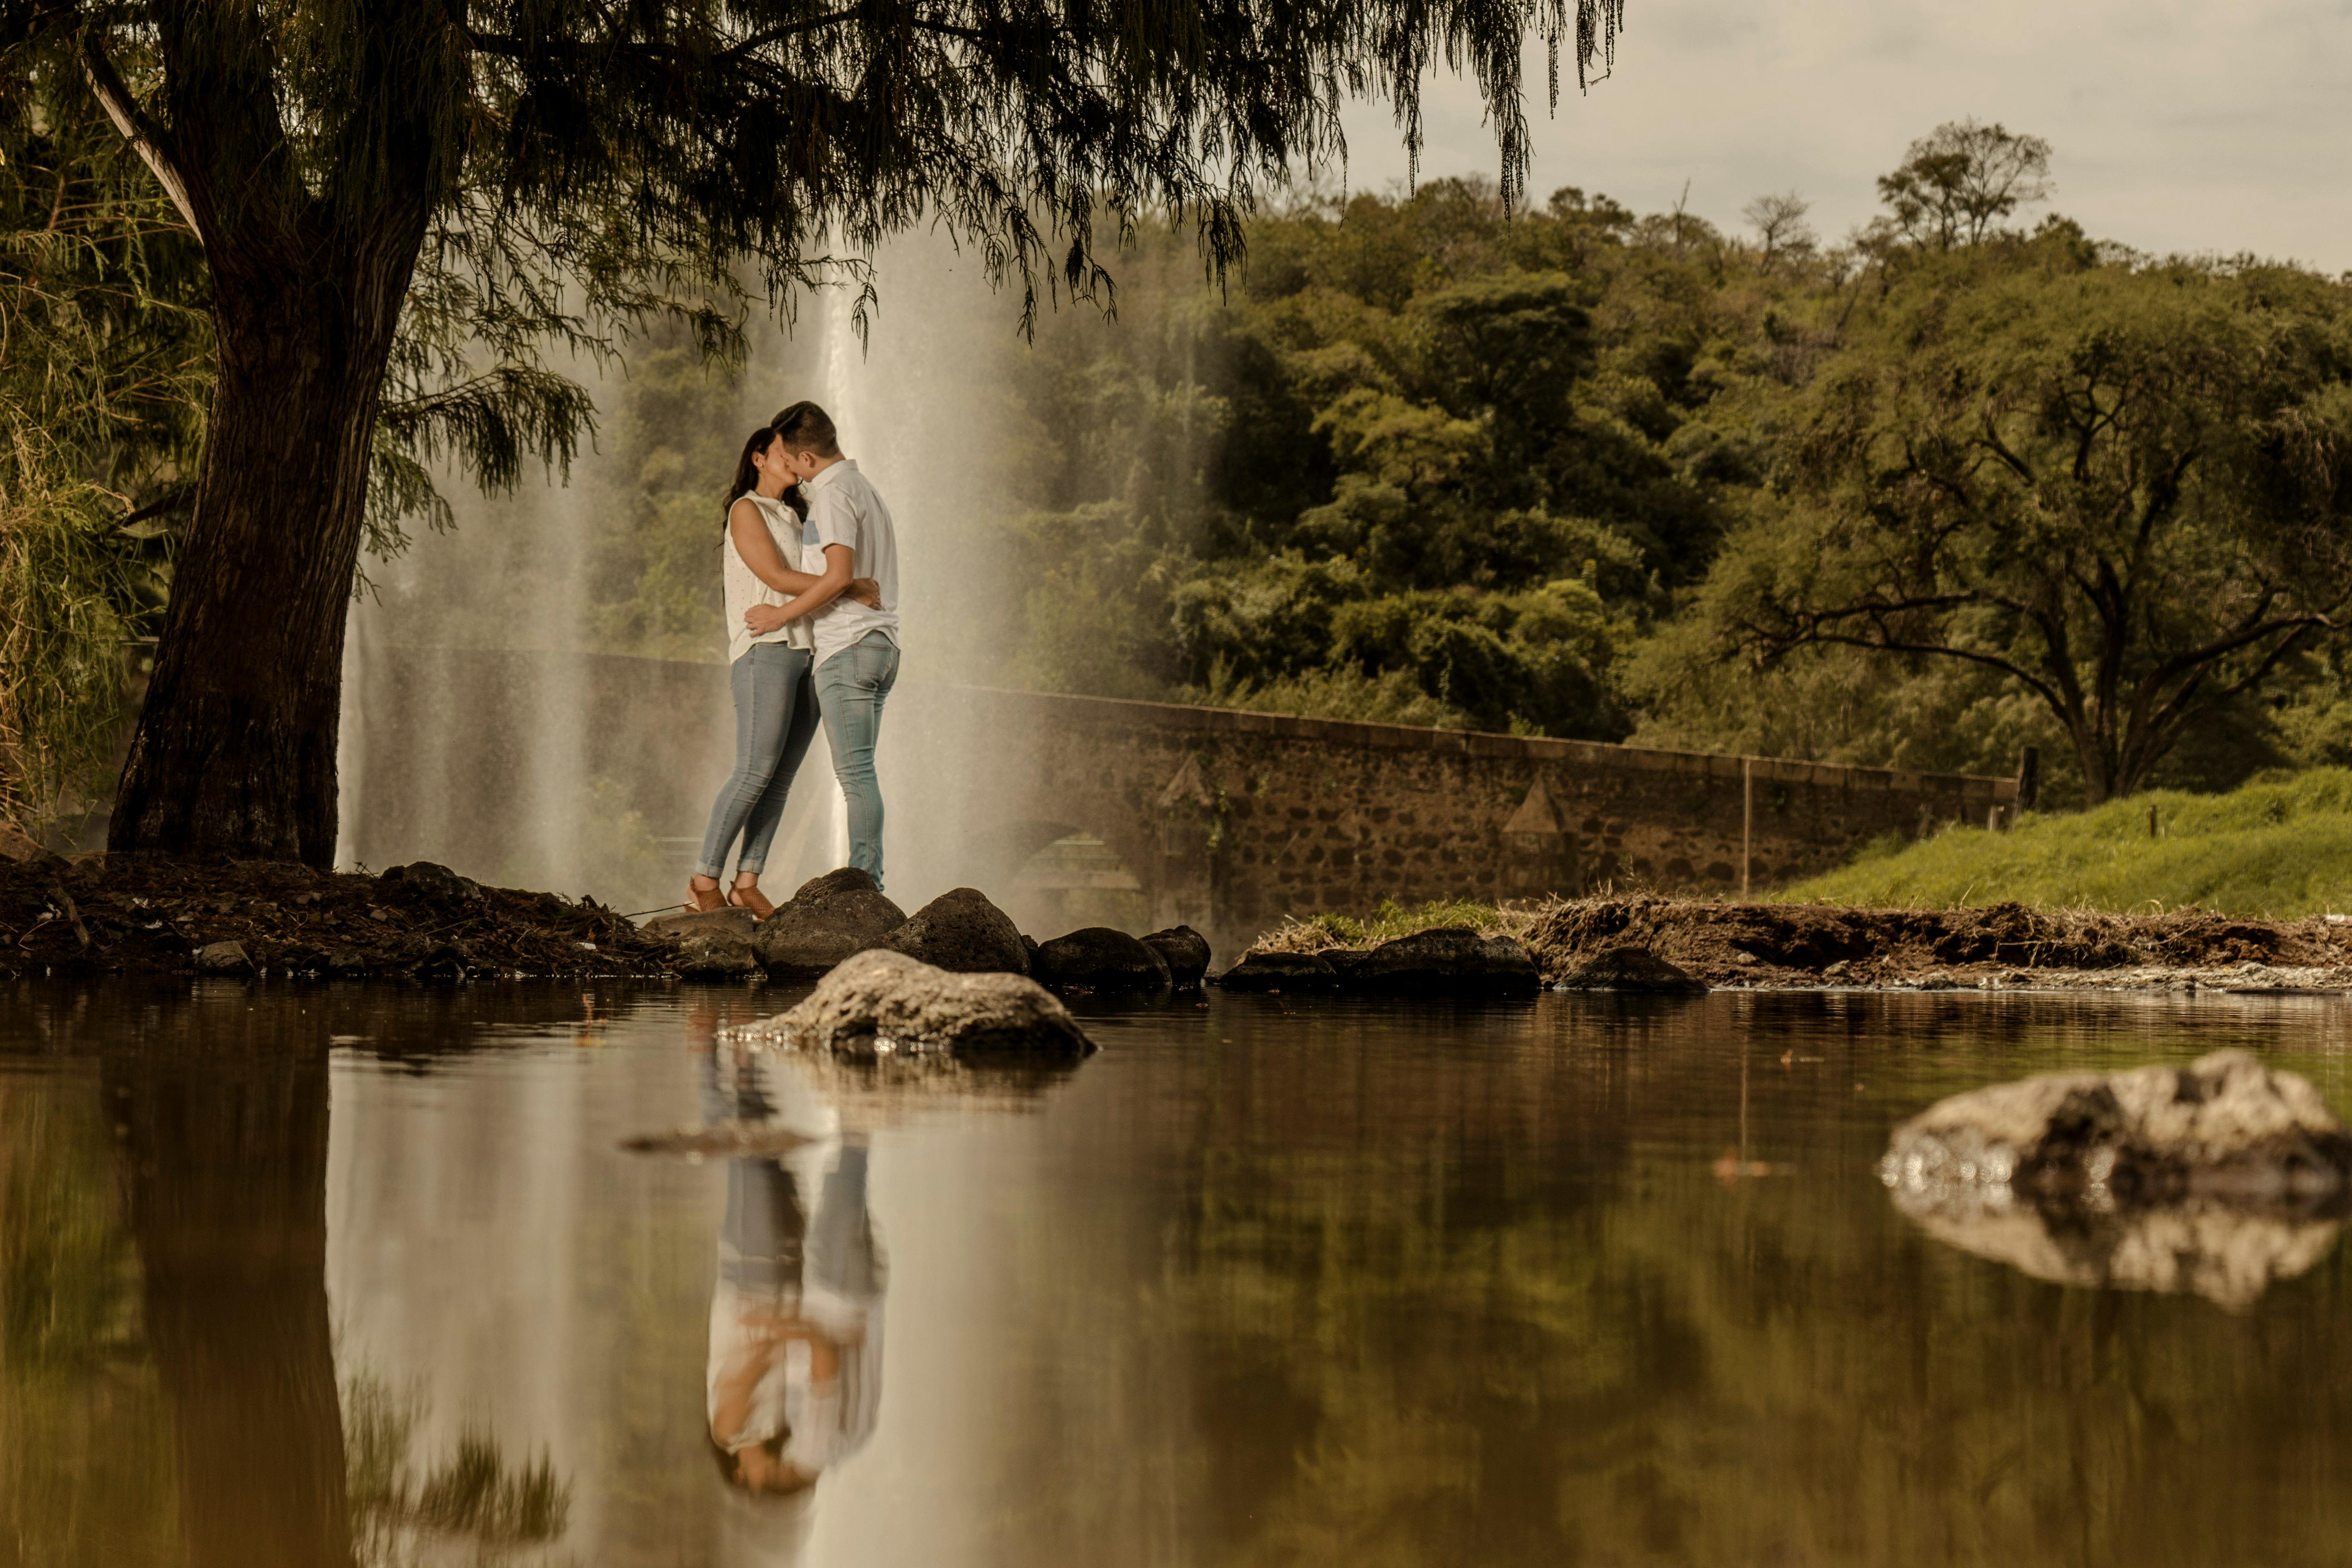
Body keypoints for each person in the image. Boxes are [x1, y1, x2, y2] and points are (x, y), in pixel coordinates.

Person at [687, 424, 880, 918]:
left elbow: (816, 576)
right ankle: (703, 878)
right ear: (757, 458)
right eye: (781, 455)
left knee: (780, 777)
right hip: (765, 648)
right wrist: (852, 586)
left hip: (809, 650)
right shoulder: (745, 510)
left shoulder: (800, 515)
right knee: (753, 769)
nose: (793, 462)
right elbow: (774, 577)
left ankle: (746, 881)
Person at [743, 401, 901, 889]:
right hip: (879, 644)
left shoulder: (833, 496)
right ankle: (867, 879)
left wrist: (778, 614)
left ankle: (866, 884)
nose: (788, 469)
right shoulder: (865, 489)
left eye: (791, 461)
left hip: (849, 646)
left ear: (808, 458)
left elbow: (837, 577)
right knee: (861, 772)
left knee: (856, 776)